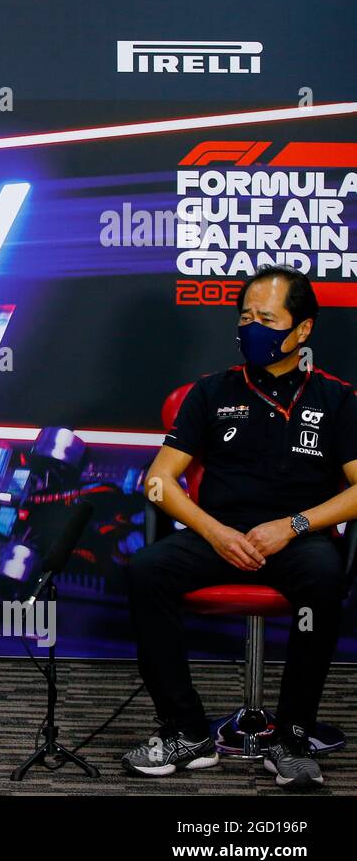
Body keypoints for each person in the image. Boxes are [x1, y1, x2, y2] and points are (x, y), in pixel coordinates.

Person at [122, 265, 357, 789]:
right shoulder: (209, 392)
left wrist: (293, 526)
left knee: (324, 578)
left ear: (302, 330)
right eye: (246, 317)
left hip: (299, 539)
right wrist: (213, 532)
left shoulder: (337, 398)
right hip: (219, 535)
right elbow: (158, 483)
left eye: (268, 319)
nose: (253, 328)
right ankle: (186, 732)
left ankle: (291, 739)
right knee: (146, 571)